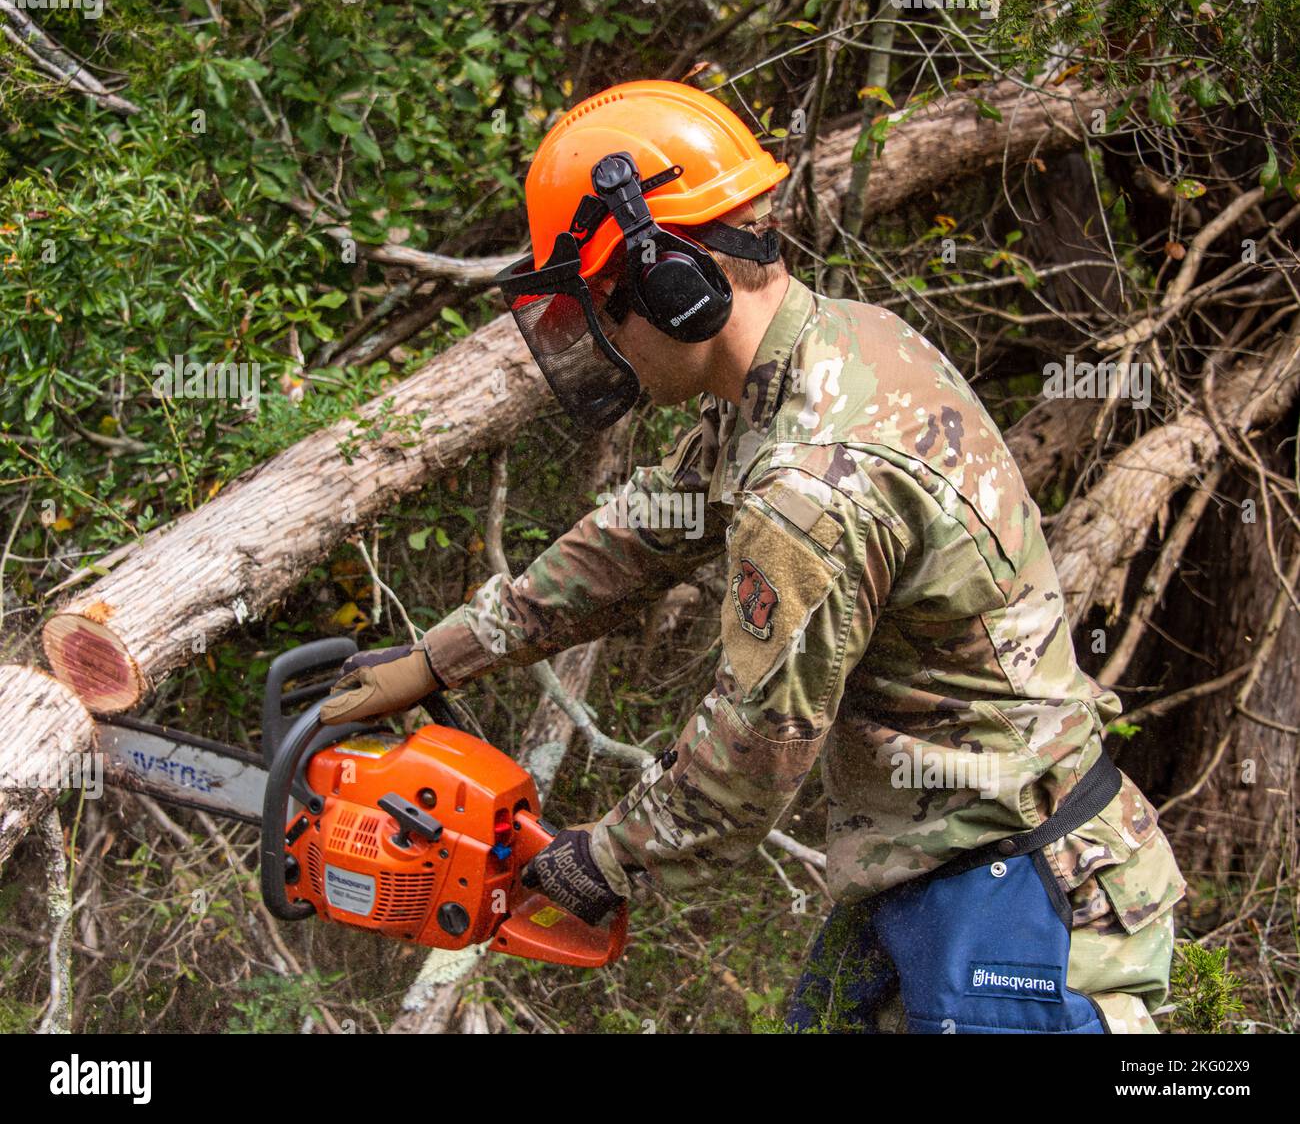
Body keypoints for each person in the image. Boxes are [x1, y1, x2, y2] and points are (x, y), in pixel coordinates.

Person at [320, 80, 1185, 1033]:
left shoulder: (811, 484)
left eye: (602, 308)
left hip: (1019, 895)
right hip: (941, 869)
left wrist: (594, 860)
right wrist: (439, 655)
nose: (602, 341)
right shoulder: (831, 351)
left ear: (670, 283)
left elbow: (748, 760)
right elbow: (641, 531)